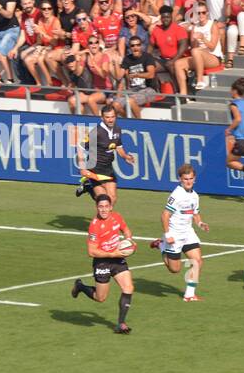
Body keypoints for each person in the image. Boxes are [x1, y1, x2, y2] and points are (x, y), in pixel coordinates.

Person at [70, 195, 136, 335]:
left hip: (118, 260)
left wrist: (129, 241)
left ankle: (121, 323)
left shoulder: (117, 217)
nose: (104, 210)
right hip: (102, 262)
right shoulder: (94, 226)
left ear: (111, 207)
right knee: (100, 298)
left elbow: (126, 230)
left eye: (106, 206)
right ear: (97, 208)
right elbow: (91, 251)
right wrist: (114, 254)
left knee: (128, 287)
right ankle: (80, 286)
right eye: (101, 207)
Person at [151, 164, 210, 302]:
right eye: (185, 179)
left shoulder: (195, 196)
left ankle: (189, 294)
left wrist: (200, 223)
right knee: (174, 269)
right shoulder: (177, 195)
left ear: (194, 179)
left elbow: (195, 213)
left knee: (197, 261)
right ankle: (161, 245)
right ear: (180, 180)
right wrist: (167, 235)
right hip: (175, 235)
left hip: (188, 232)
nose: (188, 181)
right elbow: (165, 215)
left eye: (190, 179)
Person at [75, 104, 137, 204]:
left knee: (112, 199)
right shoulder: (96, 132)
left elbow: (118, 146)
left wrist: (125, 156)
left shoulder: (117, 129)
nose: (110, 120)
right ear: (102, 118)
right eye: (107, 117)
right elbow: (80, 147)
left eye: (112, 117)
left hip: (108, 168)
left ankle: (88, 186)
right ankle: (89, 186)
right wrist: (82, 167)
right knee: (104, 202)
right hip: (94, 168)